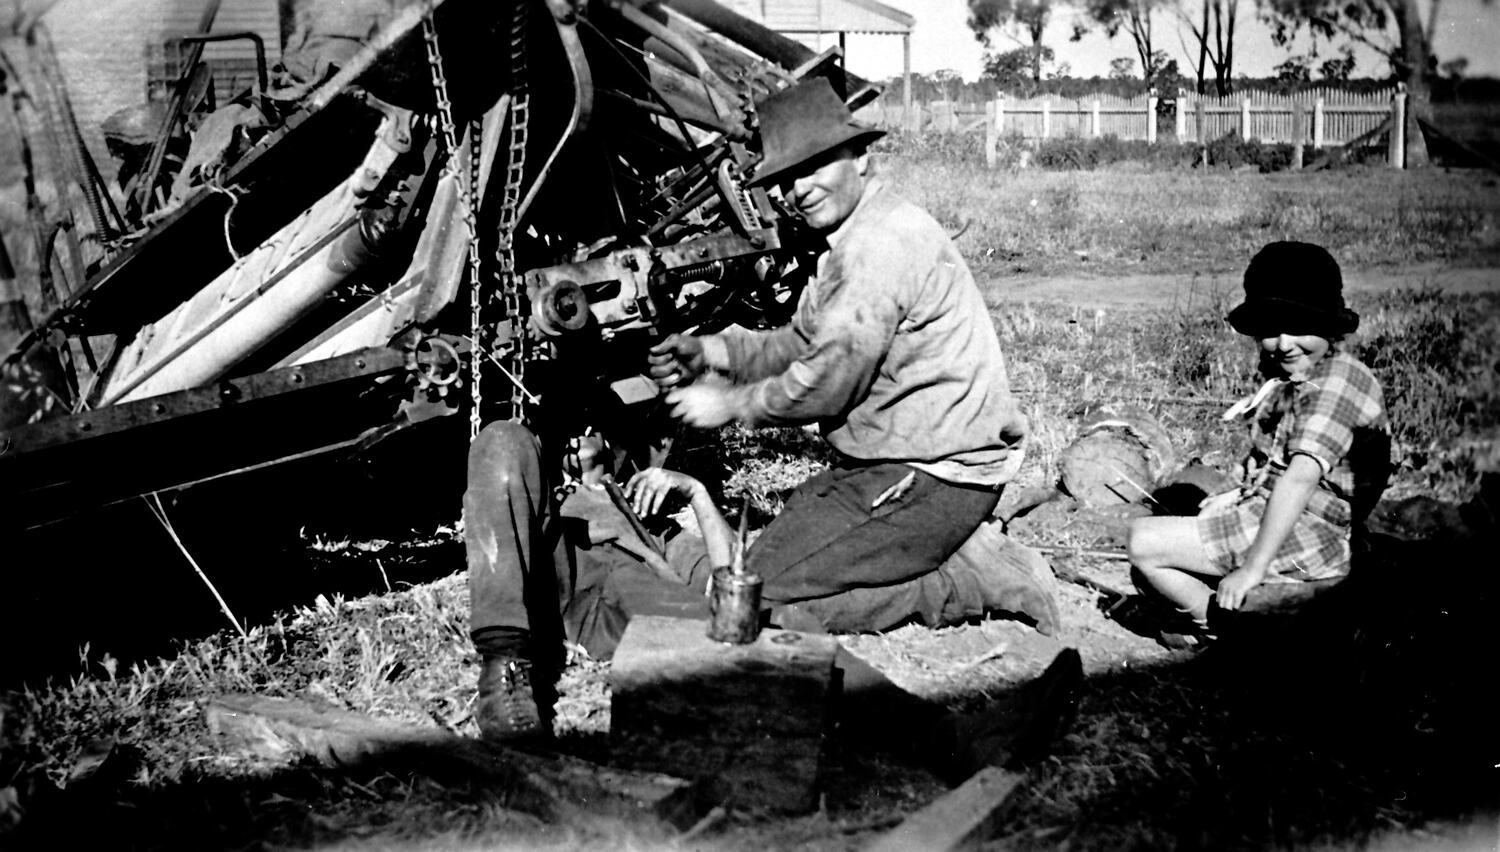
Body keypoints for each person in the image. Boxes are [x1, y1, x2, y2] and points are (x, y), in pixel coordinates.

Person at [647, 75, 1037, 636]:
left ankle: (970, 578)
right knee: (763, 571)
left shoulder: (879, 246)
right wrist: (710, 350)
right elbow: (798, 343)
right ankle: (931, 553)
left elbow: (826, 383)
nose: (800, 189)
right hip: (890, 467)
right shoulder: (852, 237)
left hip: (935, 476)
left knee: (755, 599)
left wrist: (730, 404)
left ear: (859, 156)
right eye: (786, 179)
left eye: (815, 166)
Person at [1124, 241, 1391, 648]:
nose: (1283, 343)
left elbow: (1299, 479)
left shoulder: (1338, 382)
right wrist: (1232, 497)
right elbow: (1269, 465)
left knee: (1142, 542)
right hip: (1287, 517)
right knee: (1189, 517)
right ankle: (1225, 610)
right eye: (1270, 331)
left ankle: (1217, 626)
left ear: (1329, 325)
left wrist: (1252, 568)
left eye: (1298, 328)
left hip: (1314, 535)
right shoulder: (1302, 377)